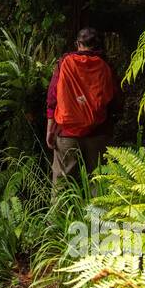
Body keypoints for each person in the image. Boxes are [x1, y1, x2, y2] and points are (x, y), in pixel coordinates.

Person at [45, 27, 120, 188]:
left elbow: (52, 98)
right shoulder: (105, 66)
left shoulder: (65, 63)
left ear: (78, 44)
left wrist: (50, 130)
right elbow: (116, 99)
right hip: (98, 133)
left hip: (67, 133)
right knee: (98, 183)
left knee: (62, 185)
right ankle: (97, 214)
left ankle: (62, 214)